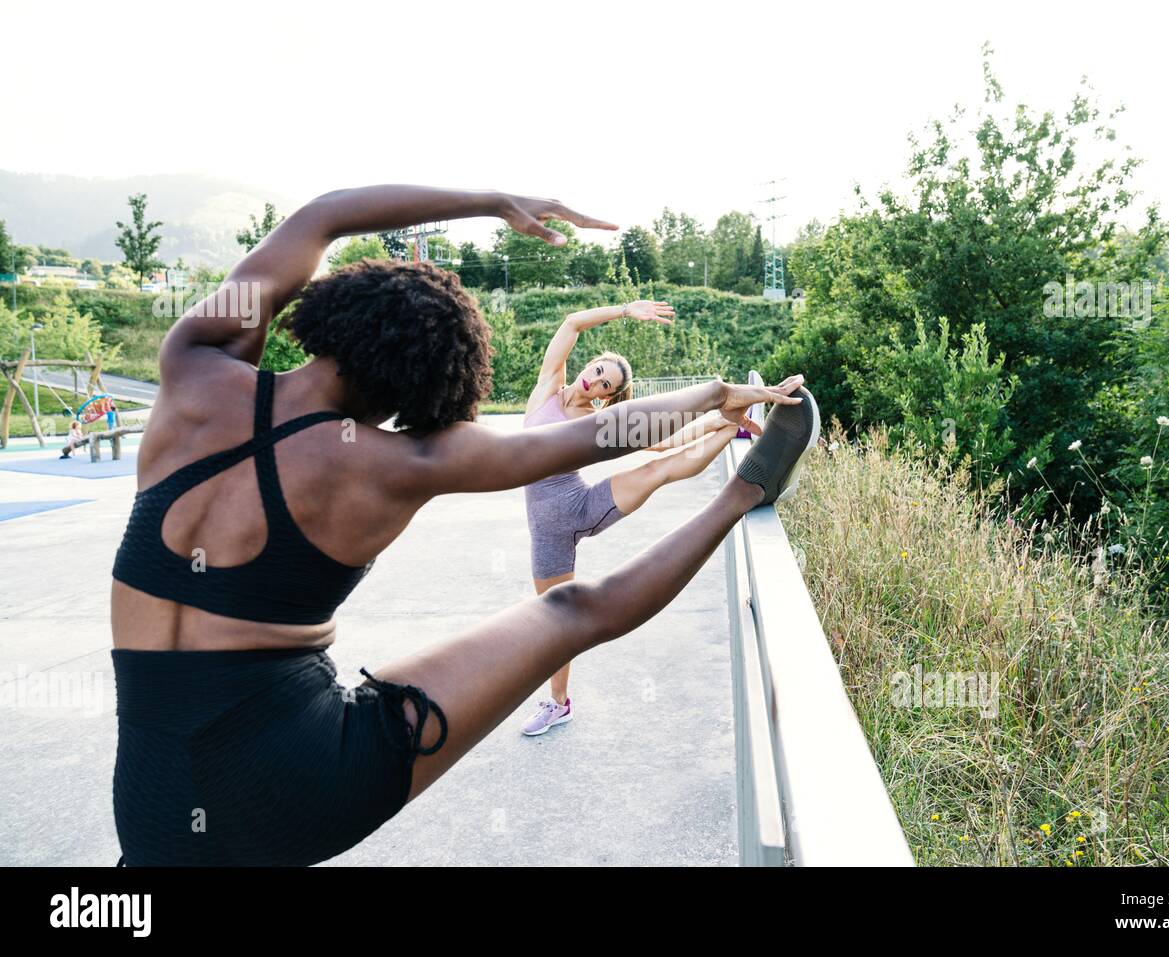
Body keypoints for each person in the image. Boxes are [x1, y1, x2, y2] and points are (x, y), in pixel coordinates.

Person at [109, 183, 816, 866]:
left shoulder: (193, 364)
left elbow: (322, 217)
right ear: (428, 393)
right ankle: (744, 491)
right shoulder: (403, 461)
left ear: (339, 307)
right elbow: (599, 437)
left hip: (148, 809)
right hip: (296, 780)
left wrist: (489, 201)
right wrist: (721, 394)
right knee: (571, 610)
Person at [519, 301, 743, 736]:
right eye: (599, 368)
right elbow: (571, 323)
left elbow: (662, 444)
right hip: (546, 532)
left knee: (656, 470)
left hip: (581, 508)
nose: (597, 378)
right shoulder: (548, 387)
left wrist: (717, 420)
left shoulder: (600, 420)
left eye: (606, 382)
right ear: (591, 362)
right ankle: (560, 704)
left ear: (607, 396)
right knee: (556, 620)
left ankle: (734, 426)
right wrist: (625, 310)